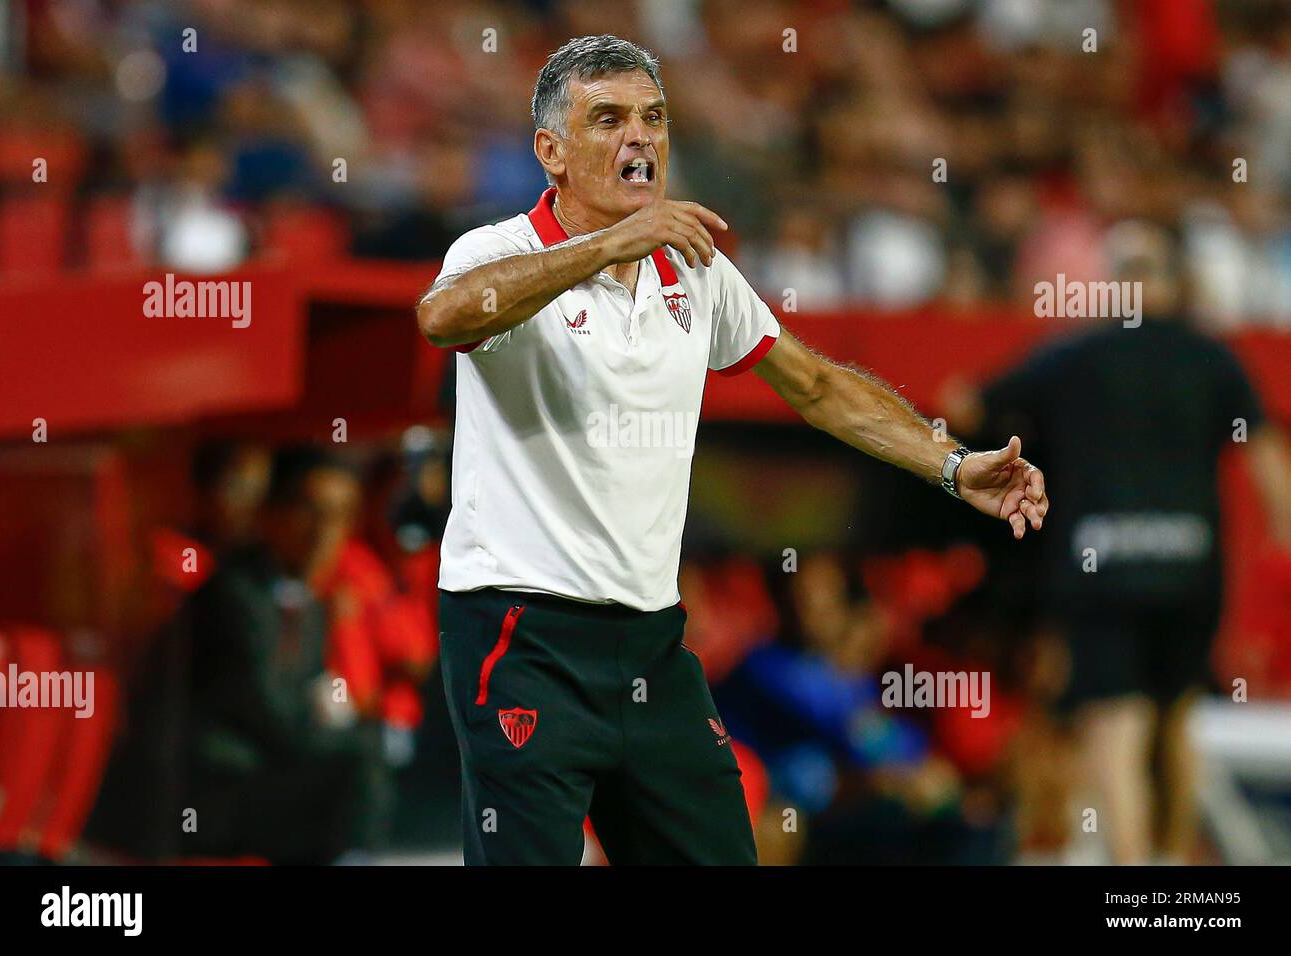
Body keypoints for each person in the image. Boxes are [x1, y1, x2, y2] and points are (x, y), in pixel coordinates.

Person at [415, 35, 1048, 866]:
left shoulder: (695, 271)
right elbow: (445, 315)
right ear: (552, 152)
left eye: (653, 118)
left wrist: (953, 465)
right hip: (519, 631)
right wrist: (608, 246)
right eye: (608, 120)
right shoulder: (498, 251)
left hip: (649, 640)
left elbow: (817, 386)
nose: (639, 137)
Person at [948, 221, 1291, 864]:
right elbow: (1269, 459)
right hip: (1192, 566)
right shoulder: (1212, 355)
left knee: (1117, 722)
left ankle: (1135, 878)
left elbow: (964, 406)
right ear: (1176, 282)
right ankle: (1170, 871)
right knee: (1178, 722)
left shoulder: (1072, 354)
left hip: (1100, 563)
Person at [180, 446, 380, 864]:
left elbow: (316, 690)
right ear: (269, 513)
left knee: (361, 750)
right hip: (218, 789)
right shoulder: (234, 594)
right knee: (358, 758)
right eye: (311, 510)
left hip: (272, 773)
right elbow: (269, 712)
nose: (326, 531)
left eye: (342, 515)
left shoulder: (308, 600)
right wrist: (339, 737)